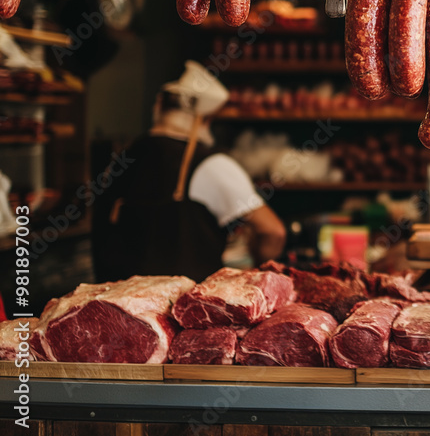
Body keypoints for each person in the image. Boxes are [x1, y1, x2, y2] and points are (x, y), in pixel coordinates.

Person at [91, 61, 286, 283]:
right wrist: (259, 276)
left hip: (117, 307)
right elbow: (273, 231)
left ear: (159, 106)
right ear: (205, 119)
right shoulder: (213, 165)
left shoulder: (121, 159)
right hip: (182, 310)